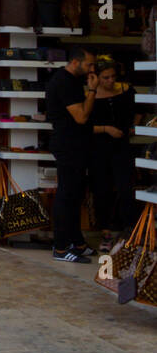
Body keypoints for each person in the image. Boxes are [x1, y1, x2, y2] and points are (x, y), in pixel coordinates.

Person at [46, 47, 98, 262]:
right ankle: (60, 247)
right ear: (76, 62)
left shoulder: (72, 80)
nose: (91, 70)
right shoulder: (64, 82)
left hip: (77, 144)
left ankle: (77, 242)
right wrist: (93, 91)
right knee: (66, 195)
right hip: (68, 145)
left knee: (76, 195)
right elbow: (81, 117)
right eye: (89, 65)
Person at [88, 56, 136, 252]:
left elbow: (139, 108)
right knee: (102, 190)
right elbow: (83, 125)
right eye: (105, 77)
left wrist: (133, 125)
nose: (110, 81)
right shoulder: (89, 95)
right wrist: (107, 129)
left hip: (122, 144)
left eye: (112, 77)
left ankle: (129, 231)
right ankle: (106, 232)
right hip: (99, 147)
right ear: (97, 77)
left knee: (126, 187)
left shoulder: (125, 90)